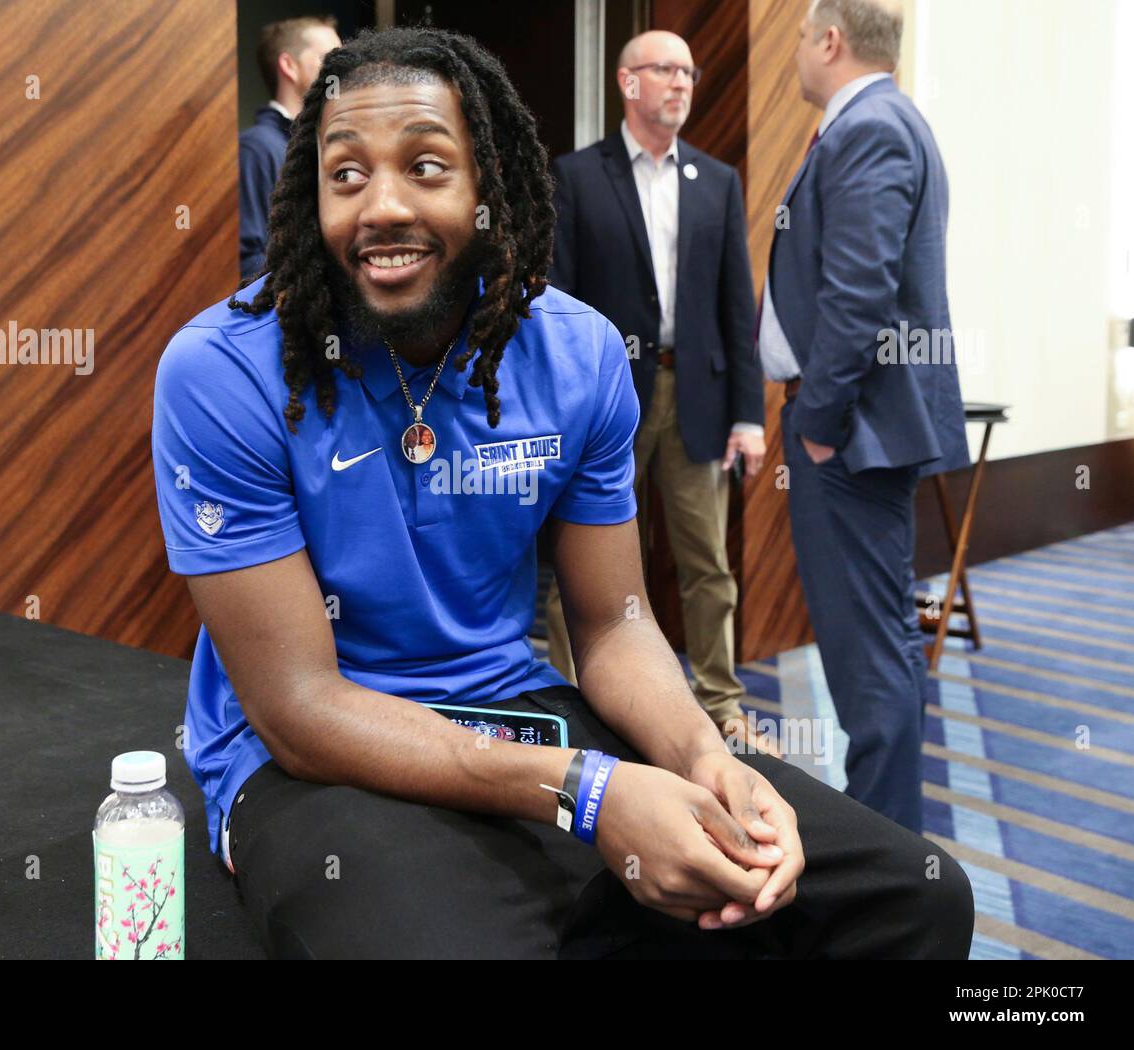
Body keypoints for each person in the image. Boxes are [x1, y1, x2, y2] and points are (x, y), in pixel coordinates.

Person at [151, 25, 974, 959]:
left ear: (490, 185)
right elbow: (298, 706)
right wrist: (586, 793)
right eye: (345, 176)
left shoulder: (577, 352)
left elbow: (615, 625)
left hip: (515, 707)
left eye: (426, 167)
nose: (380, 206)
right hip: (318, 755)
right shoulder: (223, 371)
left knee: (910, 894)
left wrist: (706, 757)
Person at [761, 0, 970, 832]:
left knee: (869, 650)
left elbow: (860, 296)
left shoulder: (869, 128)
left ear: (830, 40)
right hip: (857, 430)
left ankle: (885, 851)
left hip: (848, 434)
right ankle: (887, 837)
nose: (798, 59)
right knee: (874, 641)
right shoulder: (883, 120)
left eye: (802, 41)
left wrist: (817, 420)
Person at [542, 30, 768, 754]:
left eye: (689, 72)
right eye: (664, 70)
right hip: (607, 400)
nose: (680, 82)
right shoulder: (576, 176)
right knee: (585, 557)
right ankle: (571, 696)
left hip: (696, 397)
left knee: (707, 561)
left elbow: (739, 305)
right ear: (626, 82)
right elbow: (557, 302)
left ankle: (722, 701)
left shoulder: (718, 181)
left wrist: (749, 414)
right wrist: (564, 403)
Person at [239, 15, 342, 280]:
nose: (342, 71)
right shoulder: (256, 148)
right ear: (289, 65)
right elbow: (248, 259)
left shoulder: (328, 145)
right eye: (330, 58)